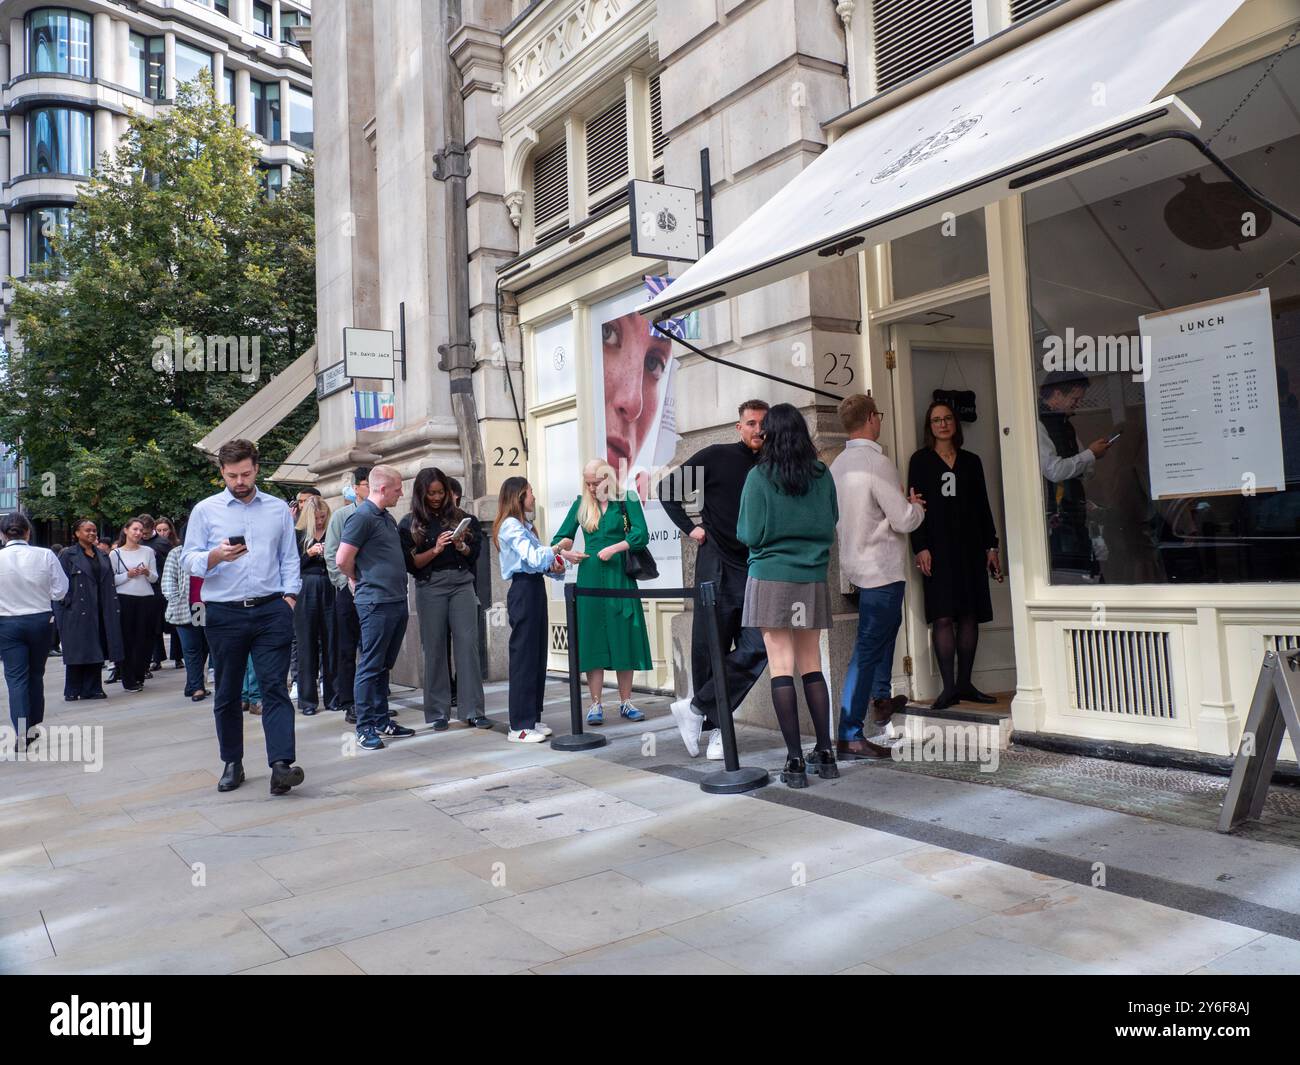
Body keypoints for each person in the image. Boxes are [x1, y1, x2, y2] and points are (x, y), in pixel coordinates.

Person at [180, 438, 304, 796]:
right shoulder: (205, 511)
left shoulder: (278, 508)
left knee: (274, 688)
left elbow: (289, 557)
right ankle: (232, 762)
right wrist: (215, 556)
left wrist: (290, 597)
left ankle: (281, 765)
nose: (239, 481)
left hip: (270, 610)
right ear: (222, 472)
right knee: (228, 691)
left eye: (246, 474)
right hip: (223, 612)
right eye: (232, 475)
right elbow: (189, 559)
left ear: (257, 469)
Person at [736, 403, 840, 789]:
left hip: (771, 577)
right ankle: (826, 753)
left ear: (770, 435)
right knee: (811, 664)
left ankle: (795, 760)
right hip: (811, 578)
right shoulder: (822, 474)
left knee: (781, 666)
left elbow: (748, 532)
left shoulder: (759, 476)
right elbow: (831, 521)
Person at [660, 398, 770, 760]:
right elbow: (667, 491)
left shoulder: (773, 464)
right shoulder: (717, 457)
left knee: (758, 647)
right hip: (717, 567)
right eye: (751, 423)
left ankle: (695, 707)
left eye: (762, 424)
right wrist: (691, 529)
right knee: (712, 651)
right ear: (739, 427)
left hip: (755, 569)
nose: (758, 430)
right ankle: (718, 730)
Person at [830, 394, 925, 758]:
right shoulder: (876, 462)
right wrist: (916, 508)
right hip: (881, 567)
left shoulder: (838, 464)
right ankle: (850, 732)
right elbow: (902, 519)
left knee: (884, 634)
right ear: (872, 419)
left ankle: (882, 699)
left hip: (855, 563)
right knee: (867, 649)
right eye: (878, 415)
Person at [908, 400, 1001, 710]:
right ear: (929, 426)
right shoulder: (920, 461)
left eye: (948, 418)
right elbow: (915, 508)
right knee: (944, 615)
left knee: (969, 614)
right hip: (937, 547)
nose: (943, 424)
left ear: (956, 424)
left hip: (970, 546)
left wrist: (991, 546)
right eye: (936, 420)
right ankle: (947, 687)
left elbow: (982, 506)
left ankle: (965, 683)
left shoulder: (971, 461)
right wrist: (920, 546)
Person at [552, 459, 653, 725]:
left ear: (608, 478)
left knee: (624, 635)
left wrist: (616, 547)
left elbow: (641, 535)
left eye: (596, 482)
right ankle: (595, 703)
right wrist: (567, 551)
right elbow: (560, 538)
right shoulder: (581, 503)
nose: (591, 487)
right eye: (587, 482)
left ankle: (626, 701)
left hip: (620, 577)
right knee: (592, 639)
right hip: (590, 578)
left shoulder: (626, 500)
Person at [494, 477, 585, 742]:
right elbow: (533, 557)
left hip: (534, 587)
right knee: (523, 658)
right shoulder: (510, 526)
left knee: (536, 656)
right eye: (531, 492)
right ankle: (519, 726)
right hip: (522, 590)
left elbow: (538, 563)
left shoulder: (526, 526)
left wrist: (557, 564)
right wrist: (559, 549)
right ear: (519, 496)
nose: (534, 497)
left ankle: (532, 717)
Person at [399, 467, 488, 731]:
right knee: (434, 648)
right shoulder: (410, 523)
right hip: (430, 586)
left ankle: (472, 709)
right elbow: (412, 564)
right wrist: (436, 549)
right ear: (421, 494)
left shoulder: (464, 518)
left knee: (467, 646)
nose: (437, 497)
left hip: (462, 584)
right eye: (431, 493)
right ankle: (438, 712)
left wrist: (460, 545)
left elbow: (474, 556)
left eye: (440, 492)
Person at [335, 464, 415, 751]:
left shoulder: (386, 518)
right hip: (375, 603)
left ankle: (382, 721)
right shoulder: (362, 517)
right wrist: (357, 578)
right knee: (370, 665)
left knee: (383, 665)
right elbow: (343, 559)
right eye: (397, 488)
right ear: (382, 489)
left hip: (395, 600)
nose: (401, 492)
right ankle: (365, 726)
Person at [1038, 370, 1111, 582]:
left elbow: (1085, 469)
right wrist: (1089, 454)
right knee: (1070, 577)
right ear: (1058, 394)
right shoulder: (1038, 423)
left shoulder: (1065, 425)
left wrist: (1092, 456)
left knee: (1087, 574)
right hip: (1056, 519)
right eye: (1075, 398)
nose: (1078, 404)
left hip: (1075, 513)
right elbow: (1053, 470)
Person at [0, 512, 68, 739]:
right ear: (28, 532)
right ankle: (33, 723)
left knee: (16, 677)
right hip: (40, 618)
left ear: (2, 535)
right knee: (36, 673)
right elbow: (60, 590)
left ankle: (21, 729)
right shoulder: (45, 555)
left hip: (7, 622)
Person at [56, 519, 123, 701]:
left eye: (94, 530)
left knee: (97, 647)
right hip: (78, 608)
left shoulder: (101, 554)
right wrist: (67, 603)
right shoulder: (67, 555)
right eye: (87, 530)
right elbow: (59, 584)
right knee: (78, 649)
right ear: (77, 533)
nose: (92, 533)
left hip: (101, 607)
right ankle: (73, 689)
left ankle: (93, 688)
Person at [602, 312, 673, 480]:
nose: (633, 403)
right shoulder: (577, 506)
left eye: (653, 363)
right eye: (607, 332)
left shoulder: (632, 502)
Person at [325, 466, 370, 724]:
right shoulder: (342, 516)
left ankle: (373, 700)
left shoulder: (382, 514)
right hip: (348, 591)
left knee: (372, 648)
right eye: (365, 484)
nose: (370, 488)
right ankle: (349, 702)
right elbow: (332, 553)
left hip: (373, 591)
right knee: (347, 648)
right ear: (355, 488)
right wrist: (344, 582)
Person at [294, 493, 336, 716]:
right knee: (306, 645)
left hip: (329, 586)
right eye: (317, 518)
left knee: (332, 643)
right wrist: (309, 554)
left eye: (323, 517)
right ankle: (307, 700)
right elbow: (291, 566)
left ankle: (333, 696)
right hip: (306, 587)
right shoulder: (298, 535)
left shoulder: (332, 532)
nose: (320, 522)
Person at [110, 517, 159, 692]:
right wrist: (128, 575)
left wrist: (146, 572)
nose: (138, 533)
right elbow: (112, 580)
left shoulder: (148, 551)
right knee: (127, 640)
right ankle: (128, 678)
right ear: (126, 530)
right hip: (125, 599)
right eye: (135, 529)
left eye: (141, 530)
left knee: (145, 639)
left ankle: (140, 674)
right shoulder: (115, 554)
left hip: (146, 597)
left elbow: (155, 577)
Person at [161, 537, 208, 702]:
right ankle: (197, 687)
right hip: (185, 605)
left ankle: (193, 683)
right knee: (191, 648)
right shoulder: (177, 553)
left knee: (203, 647)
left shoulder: (209, 550)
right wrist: (175, 599)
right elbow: (168, 580)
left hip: (201, 606)